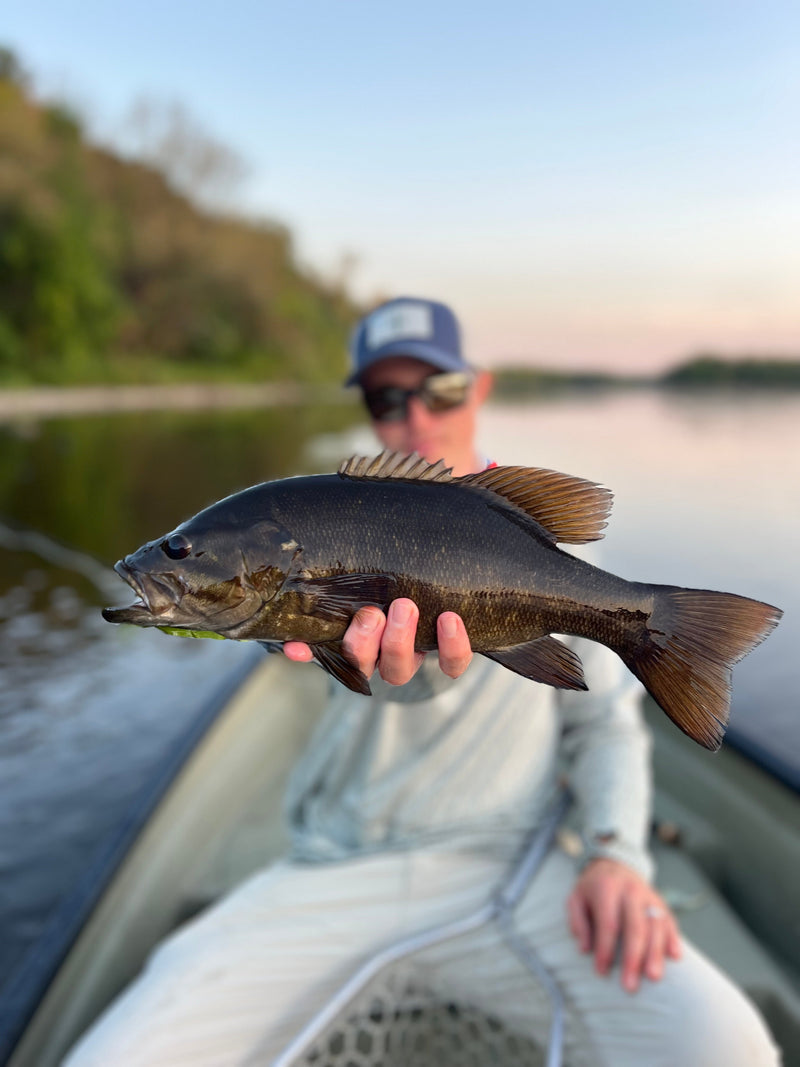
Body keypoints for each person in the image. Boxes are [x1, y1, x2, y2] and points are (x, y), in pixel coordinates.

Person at [65, 298, 779, 1066]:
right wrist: (283, 637)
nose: (414, 416)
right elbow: (290, 635)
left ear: (477, 387)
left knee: (722, 1044)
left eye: (435, 389)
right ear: (370, 413)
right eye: (385, 397)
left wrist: (613, 853)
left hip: (510, 867)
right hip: (334, 863)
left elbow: (606, 723)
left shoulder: (525, 536)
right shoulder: (296, 555)